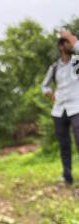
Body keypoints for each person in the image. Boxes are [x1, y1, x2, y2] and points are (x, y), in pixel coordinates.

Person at [42, 31, 79, 185]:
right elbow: (44, 85)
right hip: (59, 110)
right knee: (64, 145)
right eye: (67, 42)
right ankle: (67, 177)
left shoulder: (76, 61)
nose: (71, 44)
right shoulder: (55, 67)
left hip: (76, 107)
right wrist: (50, 94)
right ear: (61, 46)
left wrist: (73, 40)